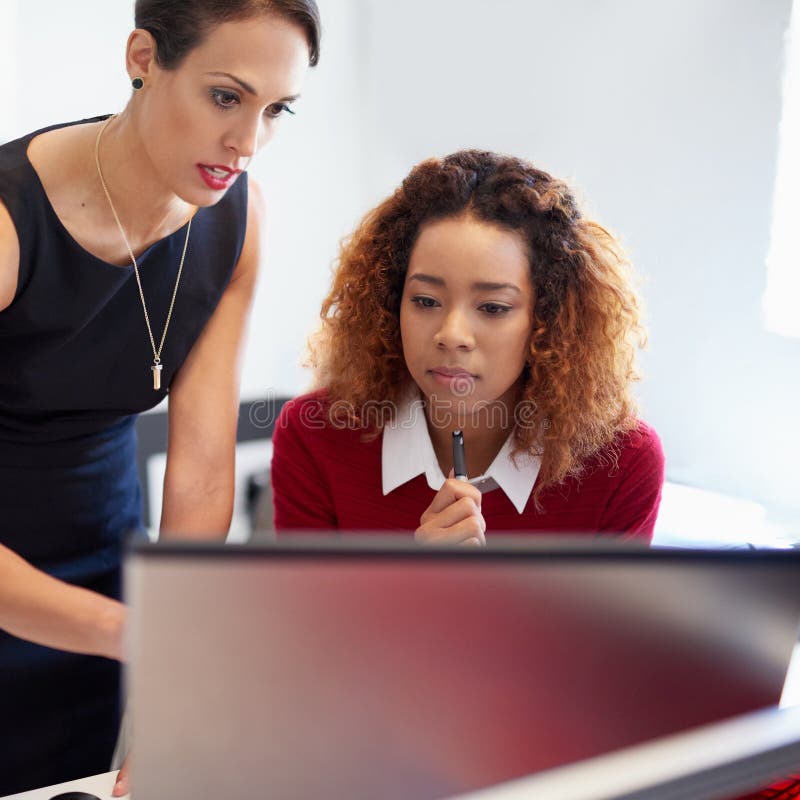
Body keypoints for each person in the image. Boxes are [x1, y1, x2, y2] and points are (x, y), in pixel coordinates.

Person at [0, 0, 319, 795]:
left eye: (276, 110)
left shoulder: (235, 222)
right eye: (225, 96)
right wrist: (136, 634)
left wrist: (175, 665)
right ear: (144, 56)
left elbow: (205, 472)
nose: (248, 144)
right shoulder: (8, 225)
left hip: (104, 557)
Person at [271, 150, 664, 541]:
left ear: (549, 319)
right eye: (425, 301)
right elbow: (301, 606)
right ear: (390, 303)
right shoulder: (313, 437)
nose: (452, 335)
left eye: (493, 307)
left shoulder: (622, 464)